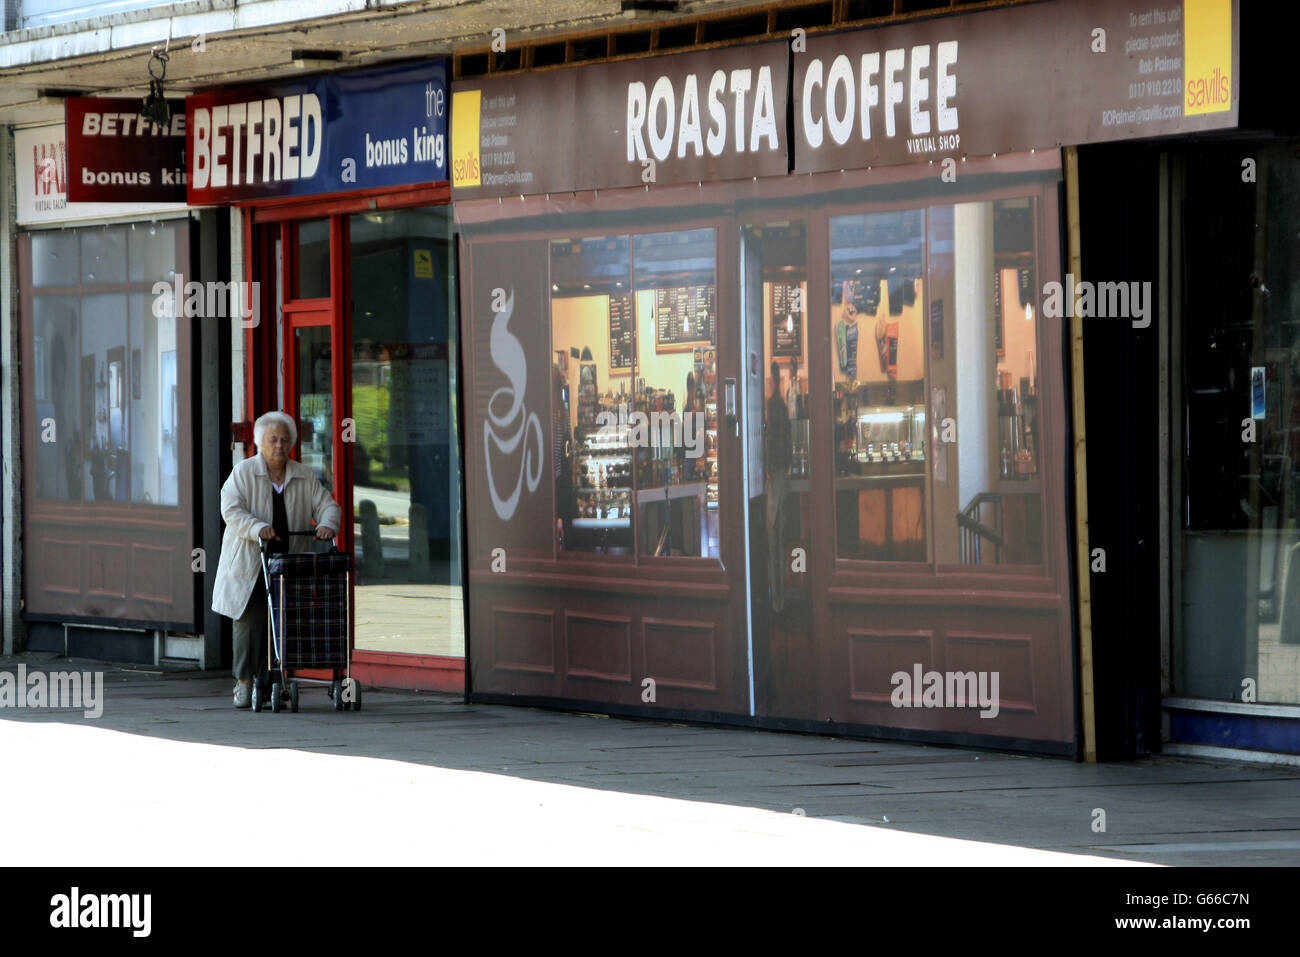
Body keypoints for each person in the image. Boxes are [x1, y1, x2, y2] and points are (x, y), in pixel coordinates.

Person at [211, 411, 341, 709]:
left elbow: (329, 506)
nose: (279, 446)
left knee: (281, 623)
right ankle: (244, 683)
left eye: (285, 440)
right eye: (273, 440)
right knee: (250, 620)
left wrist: (326, 525)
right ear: (259, 443)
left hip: (287, 562)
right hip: (249, 560)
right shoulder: (244, 473)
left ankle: (273, 682)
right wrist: (258, 527)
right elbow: (230, 510)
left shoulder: (304, 475)